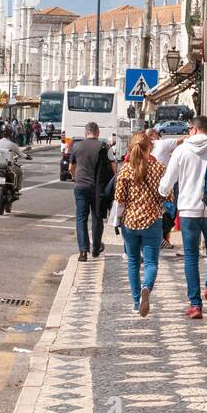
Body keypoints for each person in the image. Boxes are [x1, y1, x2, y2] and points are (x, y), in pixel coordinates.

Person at [159, 115, 207, 319]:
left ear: (195, 130)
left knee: (191, 255)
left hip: (189, 209)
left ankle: (195, 305)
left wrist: (162, 192)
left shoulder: (182, 150)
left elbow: (167, 183)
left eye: (189, 128)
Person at [114, 131, 167, 316]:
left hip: (129, 222)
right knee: (151, 262)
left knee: (133, 263)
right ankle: (147, 288)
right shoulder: (159, 168)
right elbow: (167, 195)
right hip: (152, 221)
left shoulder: (125, 170)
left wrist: (117, 219)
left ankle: (136, 302)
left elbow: (119, 198)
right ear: (149, 148)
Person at [67, 121, 112, 262]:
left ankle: (83, 252)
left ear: (86, 133)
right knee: (97, 217)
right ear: (98, 133)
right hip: (98, 187)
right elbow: (113, 166)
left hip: (80, 187)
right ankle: (96, 248)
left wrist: (75, 178)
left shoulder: (76, 146)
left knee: (81, 218)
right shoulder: (104, 146)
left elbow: (70, 167)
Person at [0, 126, 25, 194]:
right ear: (10, 134)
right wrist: (27, 156)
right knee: (20, 172)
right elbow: (21, 154)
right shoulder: (12, 144)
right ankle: (17, 190)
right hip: (9, 166)